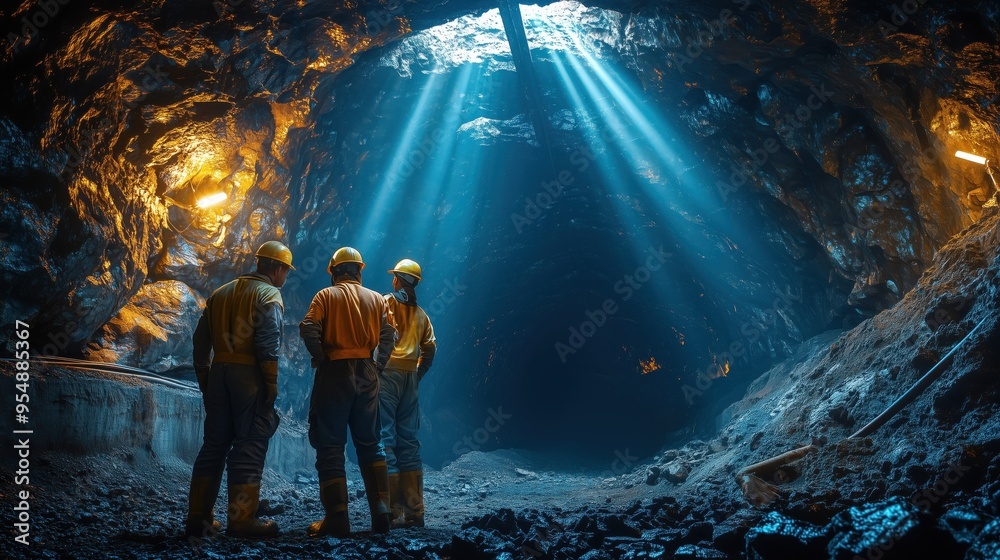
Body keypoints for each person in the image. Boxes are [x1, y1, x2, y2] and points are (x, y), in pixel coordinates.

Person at [185, 241, 294, 540]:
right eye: (285, 270)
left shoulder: (220, 293)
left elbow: (200, 341)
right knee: (250, 445)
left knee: (213, 446)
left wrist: (205, 378)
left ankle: (198, 519)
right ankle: (242, 520)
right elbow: (268, 342)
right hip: (249, 376)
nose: (285, 277)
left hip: (219, 373)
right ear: (277, 268)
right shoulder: (269, 294)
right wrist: (270, 383)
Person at [299, 247, 397, 537]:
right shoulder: (377, 299)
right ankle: (382, 512)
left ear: (334, 272)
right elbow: (390, 334)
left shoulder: (325, 296)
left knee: (330, 445)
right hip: (367, 370)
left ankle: (337, 518)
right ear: (358, 272)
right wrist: (378, 365)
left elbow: (308, 328)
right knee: (371, 442)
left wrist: (320, 357)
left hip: (335, 371)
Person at [380, 259, 436, 528]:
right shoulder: (422, 315)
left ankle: (394, 513)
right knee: (410, 443)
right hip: (410, 378)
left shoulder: (385, 303)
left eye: (395, 277)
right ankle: (416, 512)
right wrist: (417, 374)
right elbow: (430, 349)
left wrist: (375, 370)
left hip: (387, 374)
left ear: (397, 279)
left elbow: (376, 335)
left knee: (385, 439)